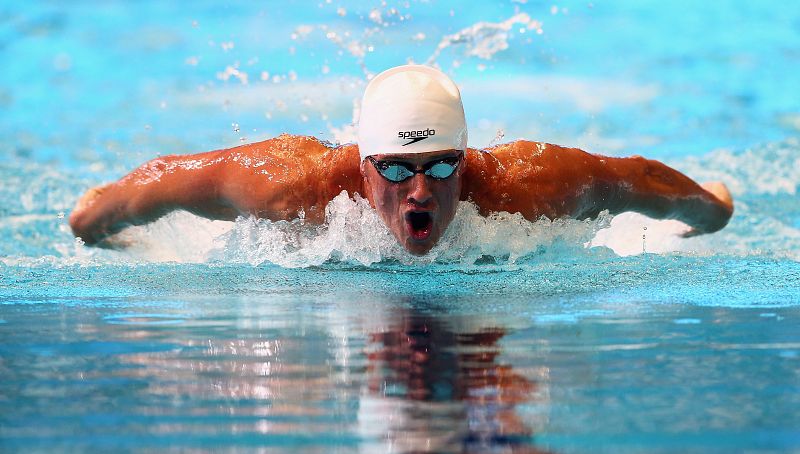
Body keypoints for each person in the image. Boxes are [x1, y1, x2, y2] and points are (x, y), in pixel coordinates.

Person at [69, 65, 734, 255]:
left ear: (466, 160)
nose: (420, 190)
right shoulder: (292, 188)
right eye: (394, 169)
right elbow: (167, 179)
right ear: (362, 166)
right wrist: (94, 223)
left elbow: (634, 177)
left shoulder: (522, 188)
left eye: (442, 166)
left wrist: (711, 212)